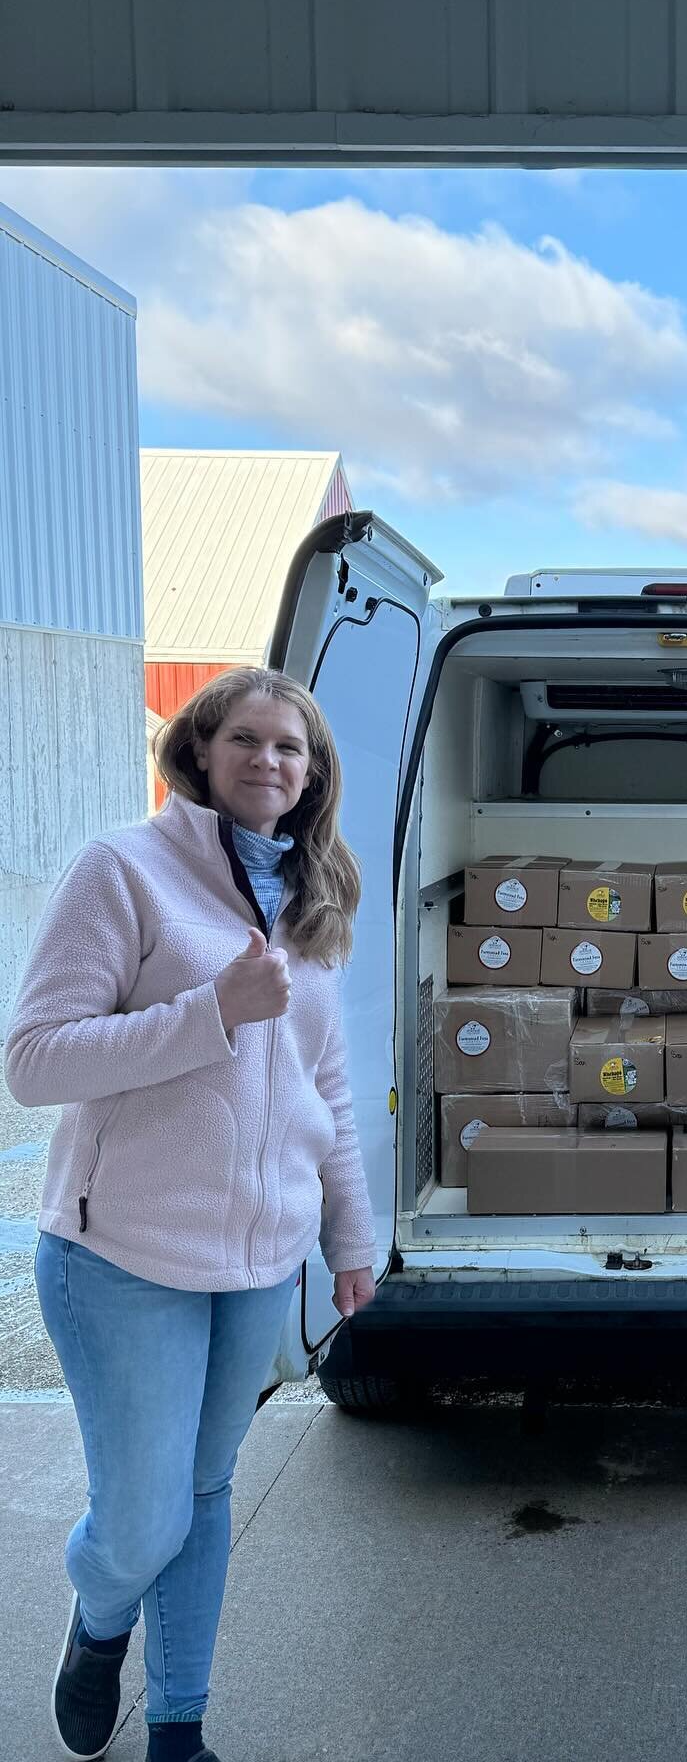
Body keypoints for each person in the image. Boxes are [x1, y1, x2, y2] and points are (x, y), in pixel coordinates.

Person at [4, 667, 377, 1762]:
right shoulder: (122, 871)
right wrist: (208, 1012)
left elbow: (330, 1093)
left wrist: (348, 1240)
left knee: (206, 1495)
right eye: (250, 740)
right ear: (202, 751)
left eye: (293, 748)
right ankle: (100, 1613)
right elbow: (34, 1062)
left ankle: (178, 1726)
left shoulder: (313, 898)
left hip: (256, 1260)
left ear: (314, 776)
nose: (272, 761)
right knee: (140, 1522)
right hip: (121, 1253)